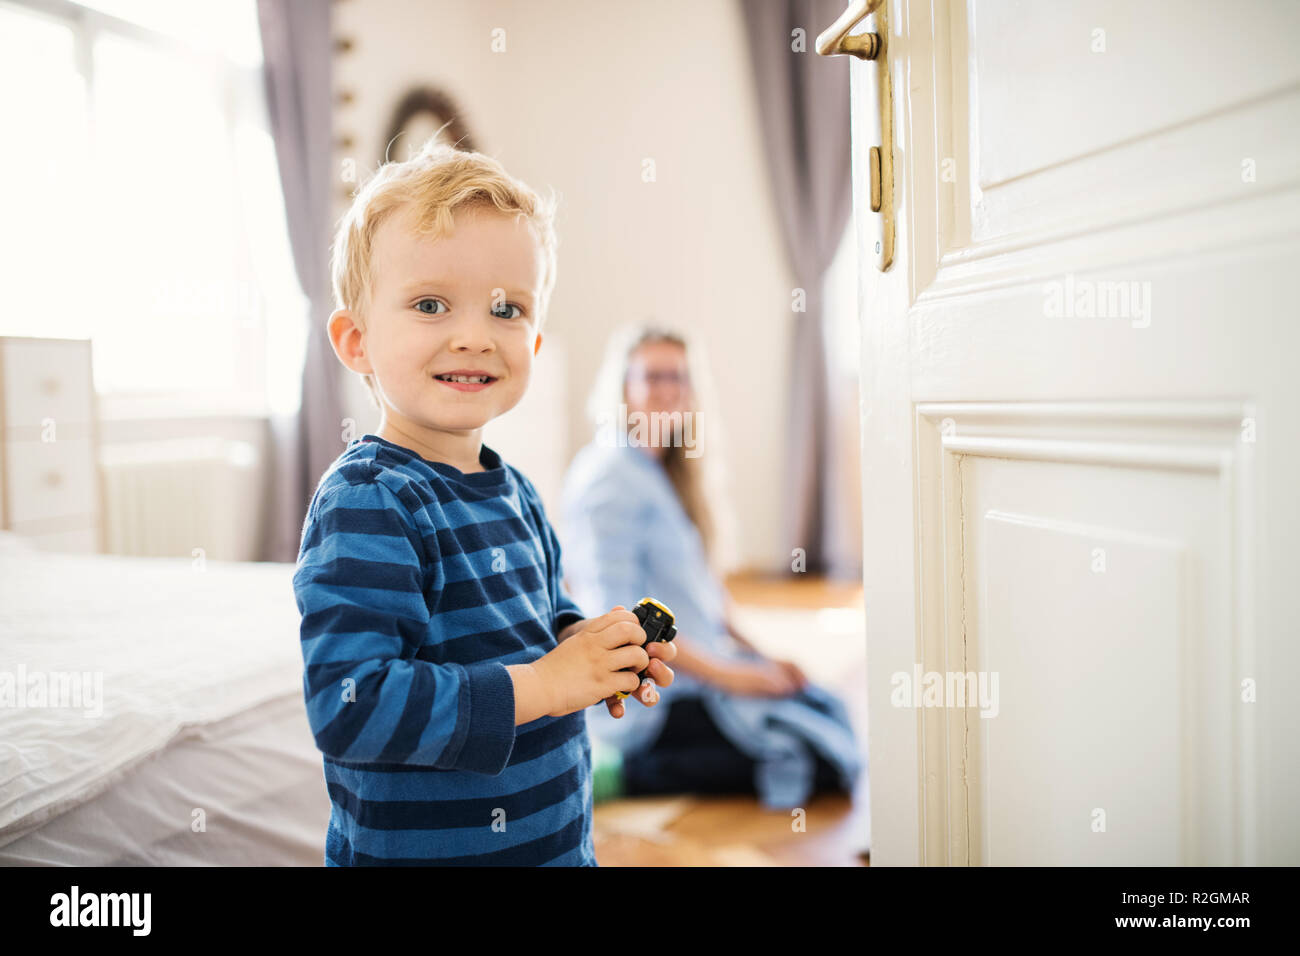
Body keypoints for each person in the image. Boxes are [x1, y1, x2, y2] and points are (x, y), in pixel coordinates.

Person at [292, 139, 676, 866]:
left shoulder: (520, 491)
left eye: (507, 309)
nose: (473, 335)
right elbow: (353, 706)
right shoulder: (370, 500)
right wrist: (543, 684)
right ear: (356, 340)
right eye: (430, 304)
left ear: (533, 339)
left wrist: (594, 654)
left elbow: (539, 628)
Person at [560, 323, 862, 810]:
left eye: (678, 378)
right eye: (652, 377)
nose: (667, 390)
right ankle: (625, 772)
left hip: (705, 668)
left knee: (828, 707)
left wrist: (759, 658)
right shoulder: (609, 480)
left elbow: (704, 594)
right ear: (623, 388)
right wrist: (730, 676)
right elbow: (621, 616)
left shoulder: (663, 470)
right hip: (660, 697)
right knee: (820, 752)